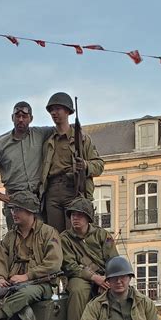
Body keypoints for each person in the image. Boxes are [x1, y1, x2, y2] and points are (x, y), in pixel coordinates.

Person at [0, 191, 63, 320]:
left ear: (30, 211)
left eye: (18, 209)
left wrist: (27, 276)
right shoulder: (10, 237)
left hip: (40, 284)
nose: (13, 213)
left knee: (25, 294)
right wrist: (0, 278)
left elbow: (54, 264)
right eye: (12, 209)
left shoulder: (48, 233)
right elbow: (1, 260)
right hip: (11, 284)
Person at [61, 197, 119, 320]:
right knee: (77, 289)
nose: (75, 218)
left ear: (88, 218)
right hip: (82, 277)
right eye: (72, 215)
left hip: (104, 277)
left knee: (119, 291)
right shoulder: (65, 238)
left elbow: (113, 261)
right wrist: (94, 278)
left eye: (80, 215)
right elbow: (68, 265)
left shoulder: (102, 235)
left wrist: (107, 281)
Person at [0, 101, 53, 230]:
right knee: (16, 242)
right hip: (14, 201)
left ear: (31, 118)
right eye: (17, 116)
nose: (21, 119)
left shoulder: (40, 133)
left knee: (40, 240)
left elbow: (63, 128)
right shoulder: (3, 143)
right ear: (12, 118)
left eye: (24, 116)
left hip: (36, 199)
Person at [40, 92, 104, 232]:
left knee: (74, 235)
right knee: (54, 237)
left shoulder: (82, 139)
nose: (54, 113)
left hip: (74, 190)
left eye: (58, 109)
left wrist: (86, 166)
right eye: (51, 109)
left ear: (68, 111)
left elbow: (99, 165)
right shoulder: (48, 141)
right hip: (52, 191)